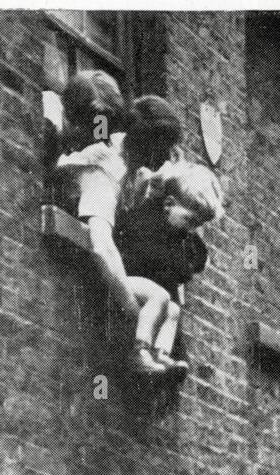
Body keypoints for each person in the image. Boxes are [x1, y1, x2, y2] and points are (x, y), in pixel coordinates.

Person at [52, 74, 183, 359]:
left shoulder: (125, 156)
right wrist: (135, 312)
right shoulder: (104, 170)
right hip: (91, 296)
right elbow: (102, 247)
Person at [115, 161, 223, 377]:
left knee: (173, 309)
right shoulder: (147, 218)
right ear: (169, 204)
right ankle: (140, 350)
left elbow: (190, 266)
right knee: (160, 296)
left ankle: (161, 353)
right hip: (126, 274)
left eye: (197, 225)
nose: (191, 229)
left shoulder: (180, 235)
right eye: (189, 220)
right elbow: (141, 247)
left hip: (146, 283)